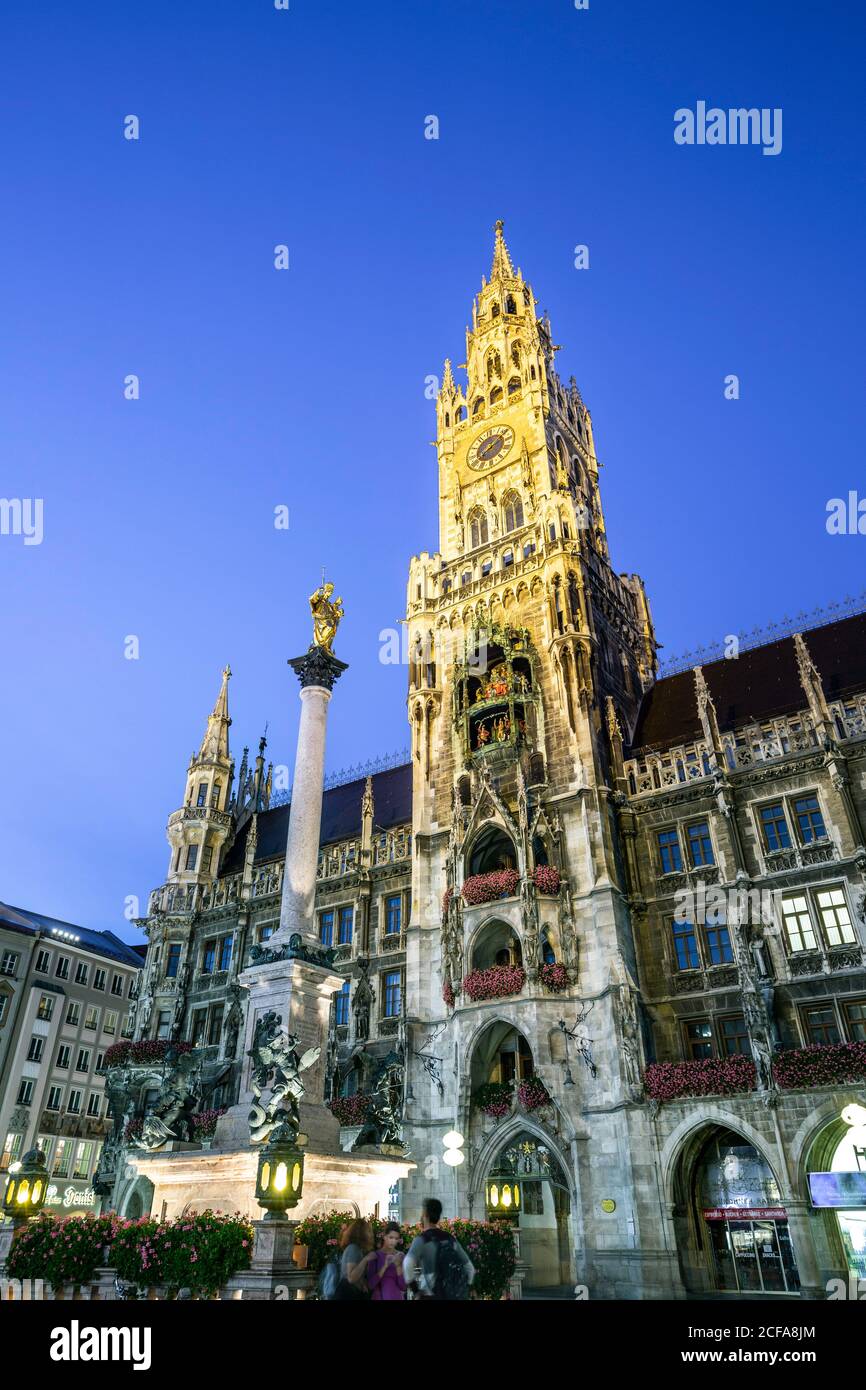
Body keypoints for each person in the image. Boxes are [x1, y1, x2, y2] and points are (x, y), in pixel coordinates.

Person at [403, 1198, 475, 1300]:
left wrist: (416, 1291)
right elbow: (470, 1268)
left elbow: (407, 1264)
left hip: (429, 1295)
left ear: (425, 1215)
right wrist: (467, 1286)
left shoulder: (422, 1240)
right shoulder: (450, 1239)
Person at [366, 1222, 407, 1302]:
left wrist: (398, 1266)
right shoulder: (375, 1255)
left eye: (396, 1239)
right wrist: (384, 1267)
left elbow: (403, 1287)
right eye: (391, 1237)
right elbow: (371, 1285)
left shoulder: (401, 1256)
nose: (393, 1241)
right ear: (384, 1236)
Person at [335, 1219, 375, 1300]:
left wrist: (362, 1283)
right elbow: (351, 1278)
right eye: (368, 1231)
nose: (371, 1234)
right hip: (348, 1293)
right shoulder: (353, 1249)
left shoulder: (355, 1249)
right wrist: (365, 1260)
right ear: (363, 1233)